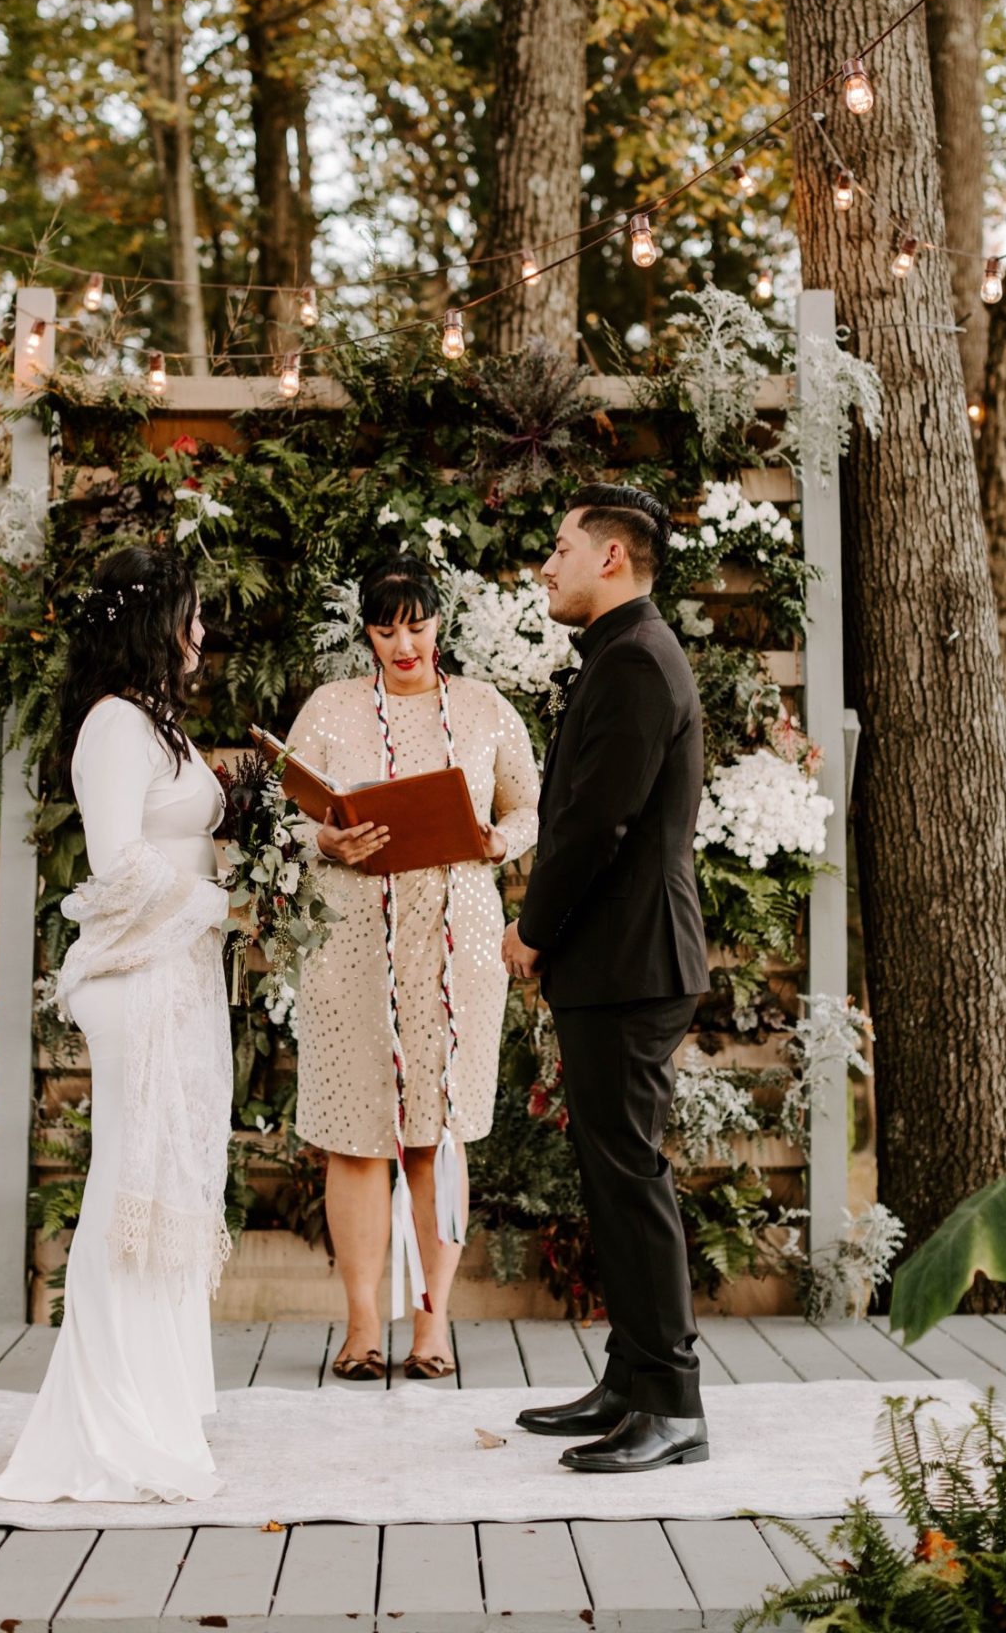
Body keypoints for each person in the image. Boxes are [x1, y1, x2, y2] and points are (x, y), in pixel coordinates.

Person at [0, 545, 232, 1504]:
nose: (201, 633)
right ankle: (106, 1416)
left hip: (179, 973)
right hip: (136, 981)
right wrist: (228, 906)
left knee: (171, 1175)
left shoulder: (156, 726)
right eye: (191, 615)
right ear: (151, 625)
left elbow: (183, 840)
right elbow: (119, 864)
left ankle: (159, 1400)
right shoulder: (112, 727)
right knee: (130, 1181)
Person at [286, 552, 539, 1381]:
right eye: (386, 628)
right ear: (364, 629)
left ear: (439, 624)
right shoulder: (327, 710)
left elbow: (530, 803)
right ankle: (362, 1326)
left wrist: (504, 839)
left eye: (418, 626)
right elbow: (283, 813)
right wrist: (323, 838)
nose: (403, 644)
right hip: (350, 947)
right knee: (356, 1141)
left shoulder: (484, 709)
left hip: (456, 945)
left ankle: (433, 1325)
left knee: (436, 1139)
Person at [502, 484, 710, 1474]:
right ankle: (632, 1377)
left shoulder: (635, 661)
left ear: (612, 558)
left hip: (632, 960)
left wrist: (533, 932)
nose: (547, 563)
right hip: (618, 960)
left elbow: (600, 821)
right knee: (613, 1173)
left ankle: (672, 1402)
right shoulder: (624, 656)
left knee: (631, 1179)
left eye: (559, 543)